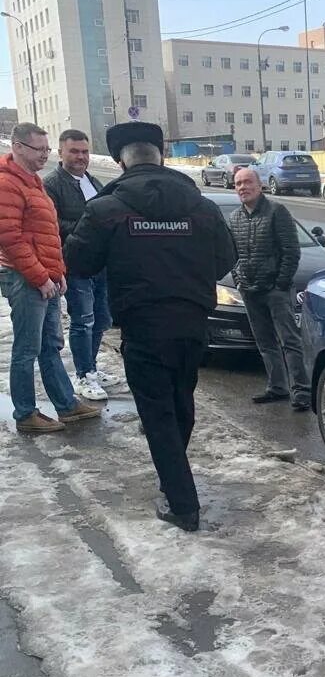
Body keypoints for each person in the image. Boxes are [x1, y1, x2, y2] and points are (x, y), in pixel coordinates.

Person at [65, 122, 236, 532]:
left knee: (158, 412)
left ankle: (181, 503)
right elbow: (226, 259)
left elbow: (81, 263)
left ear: (122, 160)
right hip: (194, 322)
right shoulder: (202, 206)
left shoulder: (106, 208)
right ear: (160, 156)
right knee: (181, 401)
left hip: (143, 325)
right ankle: (173, 476)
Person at [0, 122, 102, 434]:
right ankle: (26, 413)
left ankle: (66, 405)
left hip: (44, 277)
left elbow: (46, 234)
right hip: (24, 277)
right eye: (39, 149)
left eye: (47, 149)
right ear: (17, 147)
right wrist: (40, 277)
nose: (45, 155)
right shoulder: (8, 184)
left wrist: (57, 274)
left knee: (50, 345)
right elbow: (10, 238)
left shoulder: (32, 181)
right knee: (27, 348)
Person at [43, 128, 125, 401]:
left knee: (102, 319)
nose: (81, 157)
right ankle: (83, 374)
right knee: (83, 320)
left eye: (85, 151)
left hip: (100, 263)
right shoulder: (52, 184)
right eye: (74, 151)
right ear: (60, 153)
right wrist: (90, 227)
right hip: (75, 263)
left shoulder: (93, 181)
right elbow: (52, 225)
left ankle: (91, 369)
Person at [230, 167, 310, 411]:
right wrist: (238, 278)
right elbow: (233, 253)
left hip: (275, 290)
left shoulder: (277, 212)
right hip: (249, 290)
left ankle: (302, 392)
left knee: (290, 341)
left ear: (260, 185)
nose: (243, 187)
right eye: (238, 184)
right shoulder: (235, 217)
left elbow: (291, 251)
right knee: (265, 342)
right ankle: (277, 387)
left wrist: (281, 283)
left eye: (247, 182)